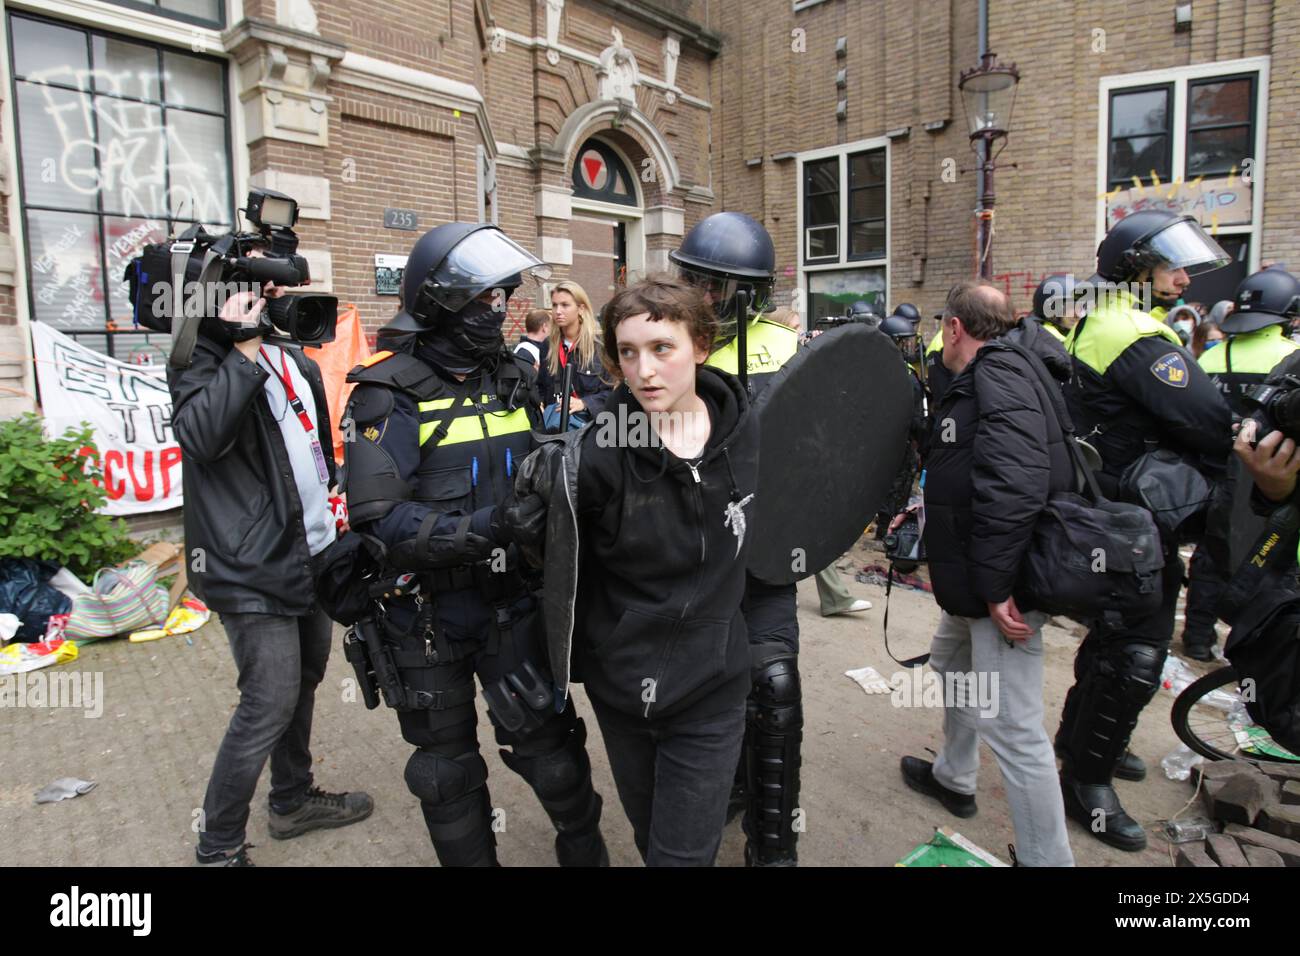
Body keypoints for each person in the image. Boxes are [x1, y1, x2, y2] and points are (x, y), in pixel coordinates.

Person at [341, 223, 606, 867]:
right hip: (426, 618)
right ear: (439, 304)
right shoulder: (387, 391)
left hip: (511, 604)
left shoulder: (516, 376)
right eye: (485, 299)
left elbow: (550, 457)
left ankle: (585, 851)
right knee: (446, 774)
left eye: (503, 297)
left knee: (552, 750)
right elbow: (379, 523)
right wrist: (488, 529)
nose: (499, 310)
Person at [517, 275, 759, 865]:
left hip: (712, 690)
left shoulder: (748, 433)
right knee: (653, 838)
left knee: (682, 857)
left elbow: (781, 542)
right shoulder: (596, 456)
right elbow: (554, 572)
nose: (644, 371)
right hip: (625, 692)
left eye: (661, 349)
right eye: (628, 353)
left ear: (700, 346)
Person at [170, 256, 373, 868]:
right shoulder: (202, 360)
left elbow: (314, 448)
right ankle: (218, 846)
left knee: (303, 683)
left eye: (280, 289)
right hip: (249, 563)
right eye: (263, 291)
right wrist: (243, 349)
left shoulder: (296, 357)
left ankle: (292, 800)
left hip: (309, 553)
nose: (277, 299)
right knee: (267, 700)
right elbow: (201, 436)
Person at [1056, 209, 1233, 850]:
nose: (1185, 279)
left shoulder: (1108, 323)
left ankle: (1084, 746)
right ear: (1133, 271)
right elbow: (1211, 420)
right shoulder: (1133, 334)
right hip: (1132, 521)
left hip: (1121, 515)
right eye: (1171, 267)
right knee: (1137, 653)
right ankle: (1087, 780)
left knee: (1114, 640)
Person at [896, 280, 1075, 867]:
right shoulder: (1000, 369)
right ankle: (954, 776)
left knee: (1014, 726)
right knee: (949, 664)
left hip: (1000, 583)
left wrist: (999, 589)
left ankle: (1047, 860)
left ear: (954, 328)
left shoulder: (997, 376)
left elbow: (1015, 484)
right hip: (974, 579)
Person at [673, 210, 805, 866]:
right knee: (706, 683)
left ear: (746, 292)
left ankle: (774, 848)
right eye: (692, 280)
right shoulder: (674, 351)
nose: (699, 297)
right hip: (699, 555)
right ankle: (725, 786)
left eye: (713, 286)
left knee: (774, 684)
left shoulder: (789, 353)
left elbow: (824, 453)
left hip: (770, 552)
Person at [1183, 267, 1300, 660]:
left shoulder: (1216, 355)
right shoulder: (1289, 359)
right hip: (1271, 480)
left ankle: (1198, 638)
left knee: (1210, 554)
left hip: (1216, 470)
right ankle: (1250, 645)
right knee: (1261, 560)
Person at [539, 280, 612, 431]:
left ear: (581, 308)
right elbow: (542, 388)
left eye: (565, 305)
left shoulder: (599, 346)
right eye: (554, 305)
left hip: (590, 430)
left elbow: (612, 393)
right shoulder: (547, 346)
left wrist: (584, 403)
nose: (558, 311)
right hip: (554, 430)